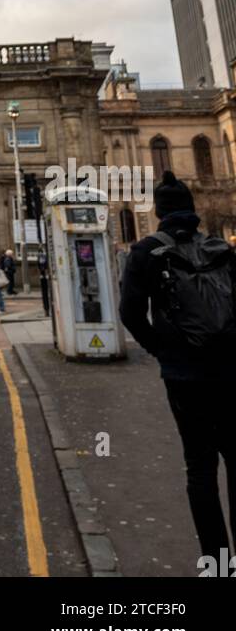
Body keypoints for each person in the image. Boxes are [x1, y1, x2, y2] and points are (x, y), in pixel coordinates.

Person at [120, 171, 236, 561]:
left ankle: (218, 564)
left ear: (159, 212)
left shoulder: (146, 252)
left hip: (185, 376)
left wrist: (162, 350)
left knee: (200, 469)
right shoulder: (221, 248)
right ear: (193, 210)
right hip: (230, 372)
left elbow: (131, 314)